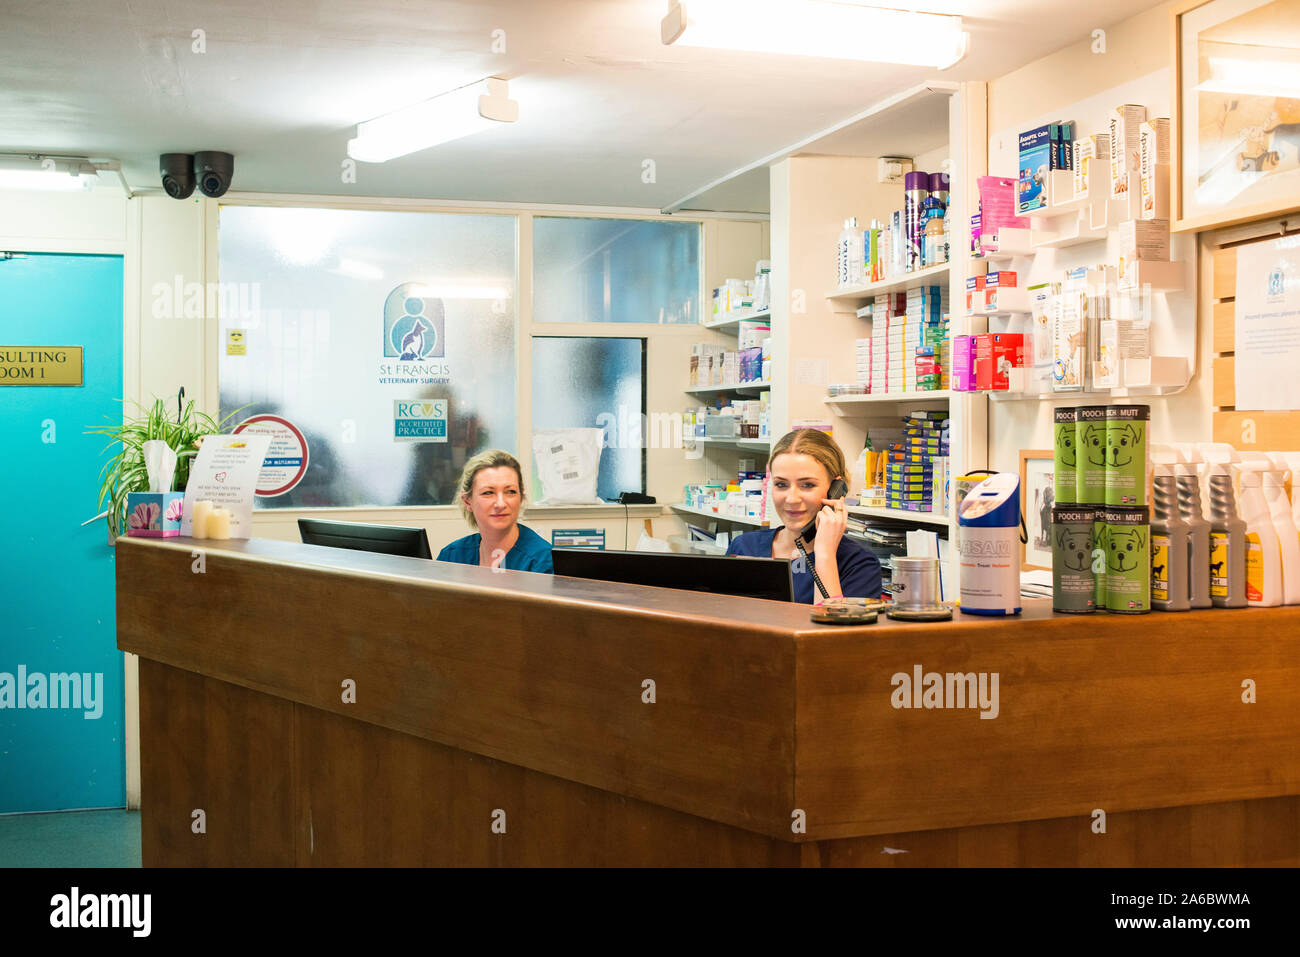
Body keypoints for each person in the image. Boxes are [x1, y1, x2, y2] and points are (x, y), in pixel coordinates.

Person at [727, 429, 882, 604]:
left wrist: (825, 555)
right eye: (781, 484)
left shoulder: (859, 564)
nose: (792, 499)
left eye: (807, 485)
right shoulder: (744, 547)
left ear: (836, 489)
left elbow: (830, 630)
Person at [437, 450, 553, 573]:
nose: (501, 504)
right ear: (467, 501)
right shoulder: (451, 557)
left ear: (521, 498)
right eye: (488, 493)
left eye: (510, 492)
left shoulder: (543, 562)